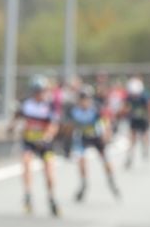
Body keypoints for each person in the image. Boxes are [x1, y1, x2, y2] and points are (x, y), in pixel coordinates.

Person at [7, 75, 61, 217]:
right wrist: (11, 127)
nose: (40, 95)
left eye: (42, 91)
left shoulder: (49, 106)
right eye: (37, 92)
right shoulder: (26, 104)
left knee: (49, 171)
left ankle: (52, 197)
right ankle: (28, 194)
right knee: (26, 162)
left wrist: (47, 136)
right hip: (29, 141)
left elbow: (54, 125)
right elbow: (16, 117)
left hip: (45, 144)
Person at [69, 84, 120, 202]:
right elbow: (69, 126)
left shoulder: (96, 109)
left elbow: (106, 122)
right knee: (81, 160)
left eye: (86, 99)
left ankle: (111, 180)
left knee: (105, 159)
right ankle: (83, 184)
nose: (84, 102)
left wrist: (107, 134)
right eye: (82, 99)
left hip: (97, 137)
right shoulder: (74, 111)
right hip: (83, 137)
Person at [123, 76, 150, 169]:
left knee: (145, 134)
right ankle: (129, 156)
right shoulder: (129, 97)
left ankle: (146, 148)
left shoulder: (144, 96)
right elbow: (125, 107)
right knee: (132, 138)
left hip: (143, 119)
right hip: (134, 119)